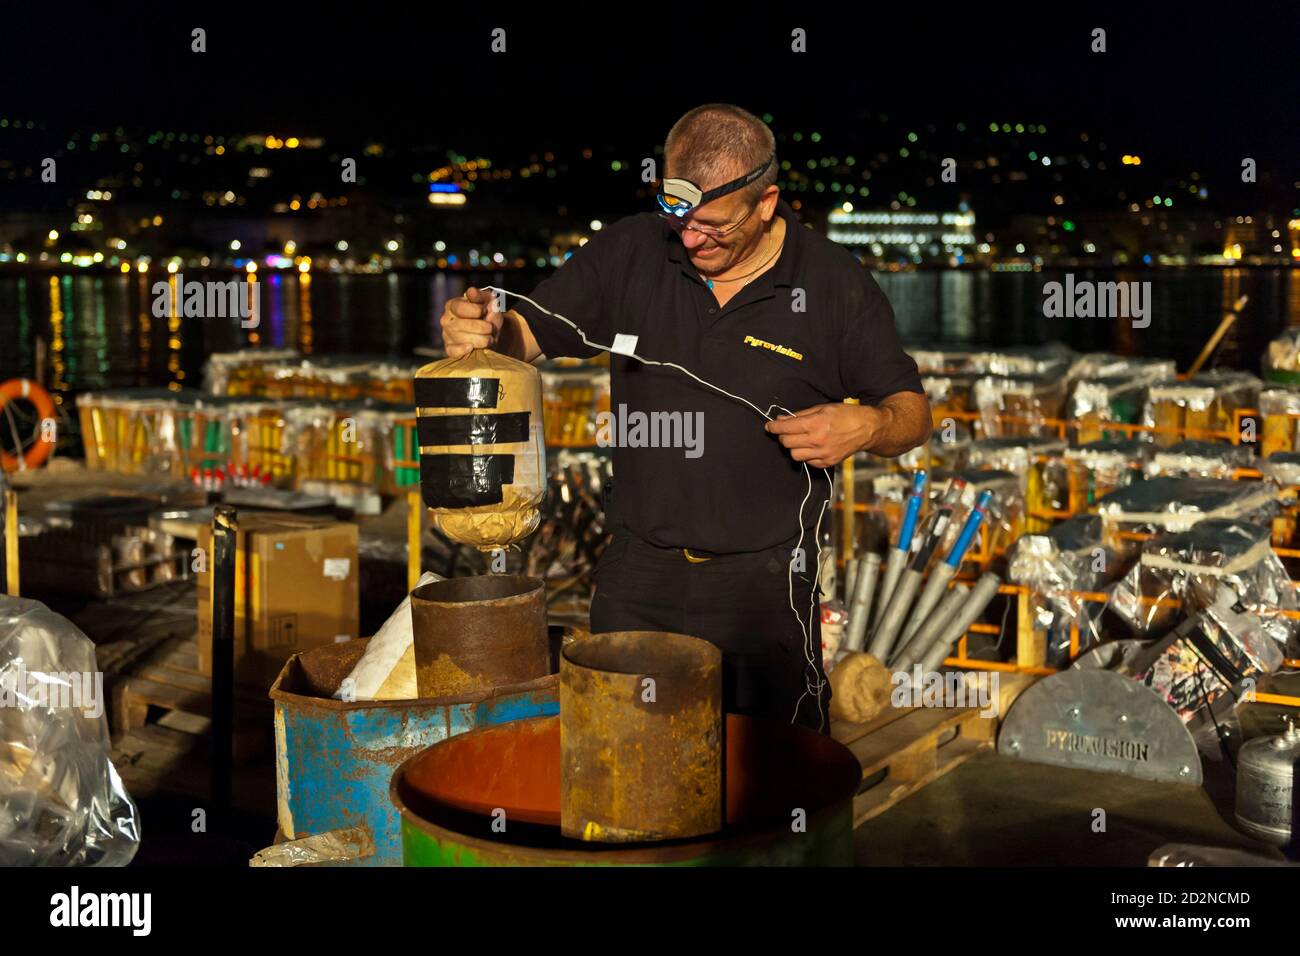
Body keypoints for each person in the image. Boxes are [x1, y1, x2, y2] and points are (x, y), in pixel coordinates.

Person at [440, 104, 931, 731]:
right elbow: (525, 334)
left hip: (767, 581)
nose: (693, 239)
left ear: (766, 202)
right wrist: (481, 329)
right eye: (681, 218)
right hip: (637, 571)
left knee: (774, 773)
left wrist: (864, 426)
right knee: (623, 758)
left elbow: (912, 414)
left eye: (716, 227)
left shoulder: (835, 285)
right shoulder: (633, 251)